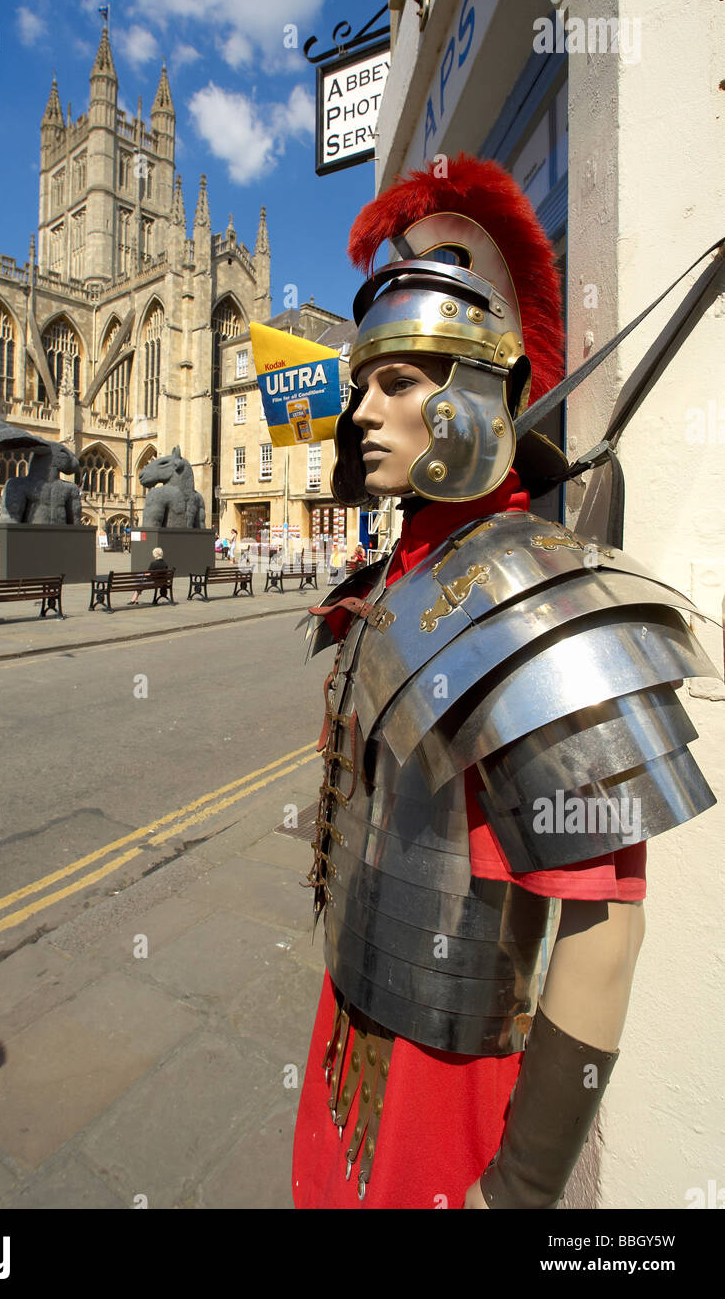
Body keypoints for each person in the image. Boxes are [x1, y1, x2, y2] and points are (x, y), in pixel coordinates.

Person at [291, 156, 717, 1210]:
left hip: (445, 1094)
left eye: (396, 381)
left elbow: (604, 929)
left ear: (477, 394)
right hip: (346, 1035)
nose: (361, 414)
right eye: (362, 385)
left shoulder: (538, 606)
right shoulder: (397, 573)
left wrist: (517, 1191)